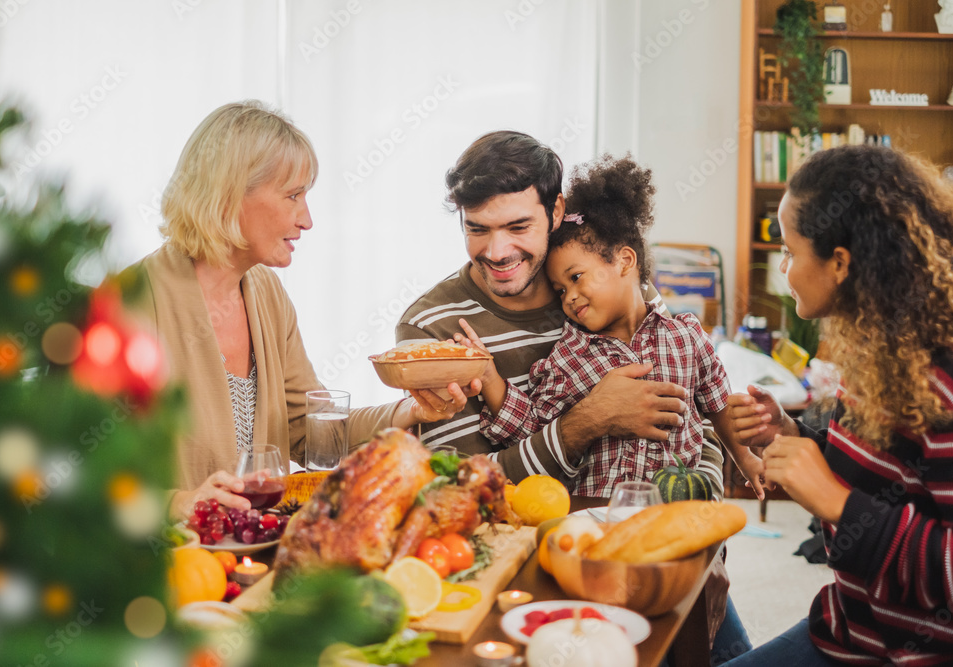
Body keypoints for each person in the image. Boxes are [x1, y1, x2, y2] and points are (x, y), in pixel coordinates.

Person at [396, 131, 751, 662]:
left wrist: (689, 496)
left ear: (556, 210)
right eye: (477, 229)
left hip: (662, 553)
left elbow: (694, 406)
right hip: (528, 579)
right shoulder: (435, 327)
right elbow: (465, 497)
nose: (498, 251)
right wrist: (587, 421)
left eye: (518, 226)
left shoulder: (617, 290)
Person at [129, 101, 469, 521]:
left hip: (261, 553)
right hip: (171, 568)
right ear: (229, 194)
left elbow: (307, 430)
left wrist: (411, 410)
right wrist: (181, 503)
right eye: (293, 196)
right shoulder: (133, 304)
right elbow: (82, 475)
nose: (306, 219)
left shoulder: (267, 292)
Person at [723, 145, 953, 666]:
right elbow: (887, 478)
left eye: (789, 251)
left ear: (840, 263)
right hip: (850, 628)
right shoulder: (882, 351)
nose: (783, 269)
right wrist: (794, 435)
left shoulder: (946, 386)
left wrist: (835, 502)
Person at [457, 155, 765, 498]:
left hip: (678, 511)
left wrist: (745, 458)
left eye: (576, 278)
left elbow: (717, 405)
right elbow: (532, 427)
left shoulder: (686, 336)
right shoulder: (569, 358)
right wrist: (488, 377)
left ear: (625, 261)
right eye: (560, 290)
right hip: (599, 516)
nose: (569, 297)